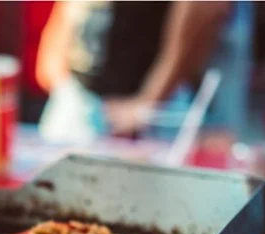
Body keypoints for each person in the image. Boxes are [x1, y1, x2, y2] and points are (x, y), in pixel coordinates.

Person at [36, 1, 229, 143]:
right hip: (77, 99)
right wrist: (56, 68)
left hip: (151, 113)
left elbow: (207, 7)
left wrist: (148, 101)